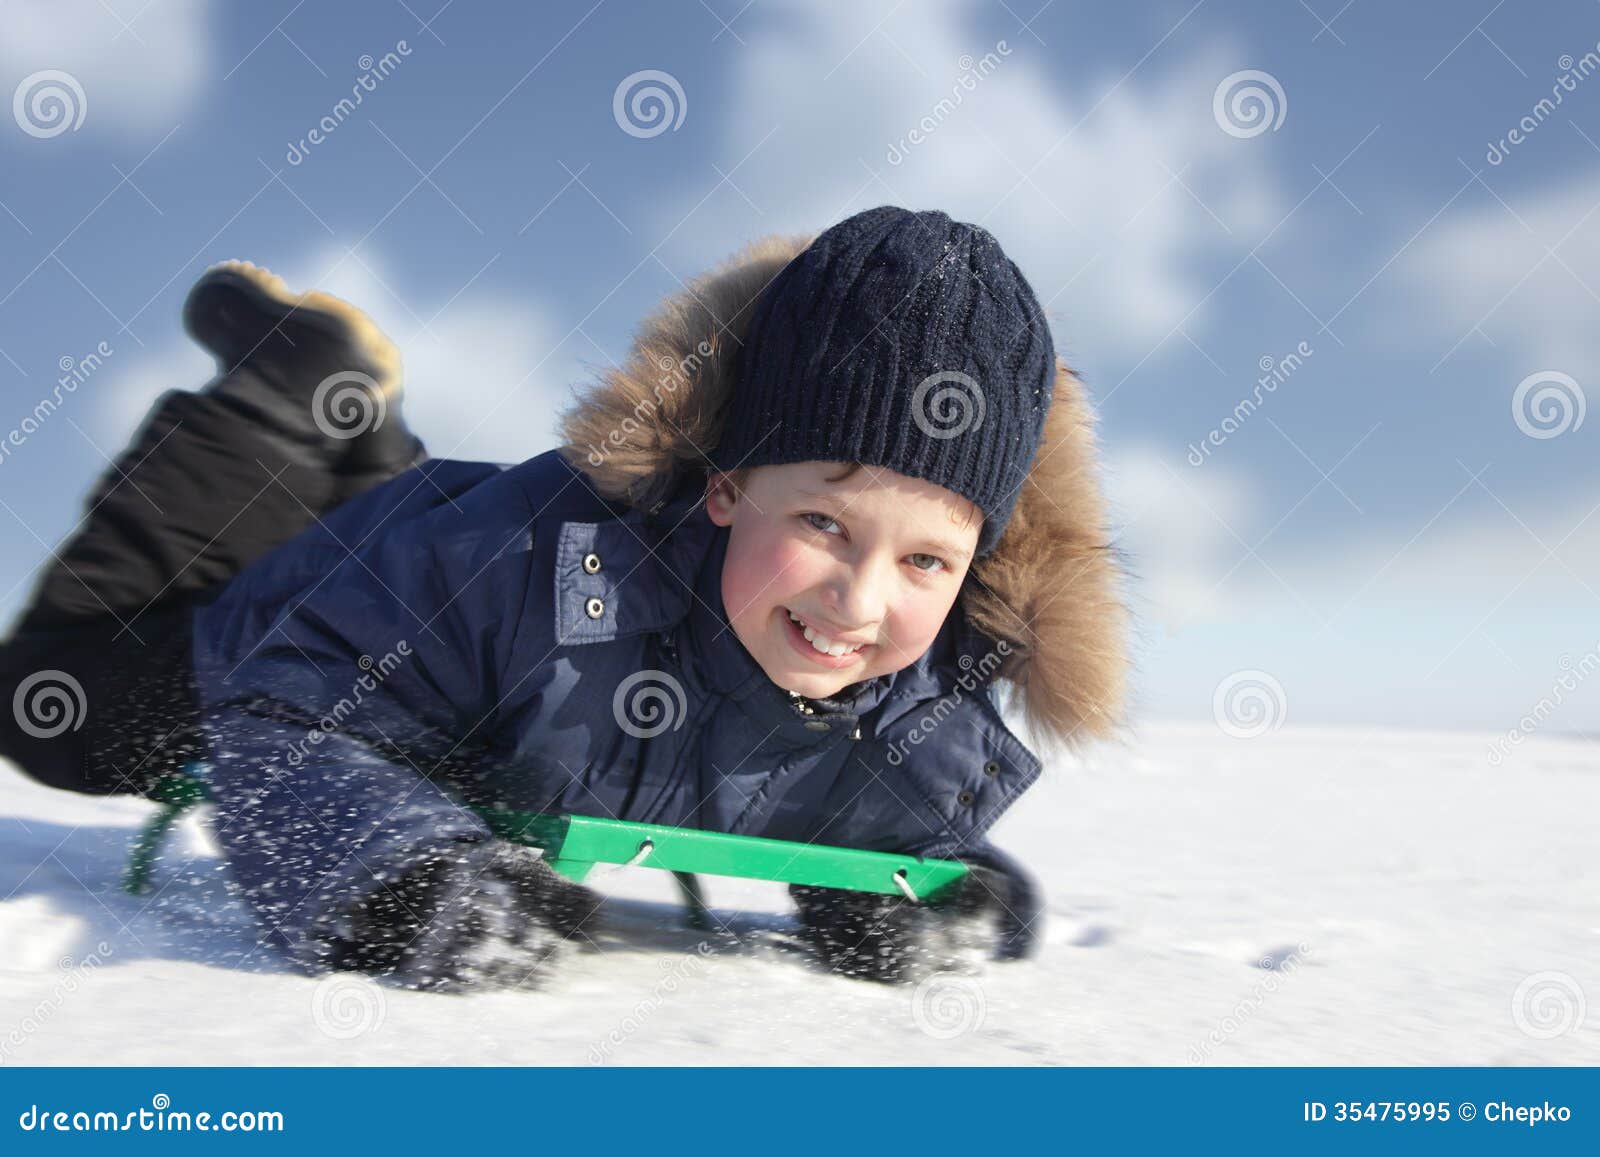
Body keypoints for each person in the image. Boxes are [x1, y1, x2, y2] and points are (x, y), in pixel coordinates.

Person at [0, 206, 1126, 991]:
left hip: (415, 557)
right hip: (299, 615)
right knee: (58, 702)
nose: (859, 598)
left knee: (403, 536)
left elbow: (909, 821)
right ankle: (284, 396)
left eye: (924, 561)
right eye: (823, 525)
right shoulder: (543, 571)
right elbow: (286, 709)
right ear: (725, 488)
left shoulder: (918, 686)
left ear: (974, 562)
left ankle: (358, 436)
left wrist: (918, 895)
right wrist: (399, 876)